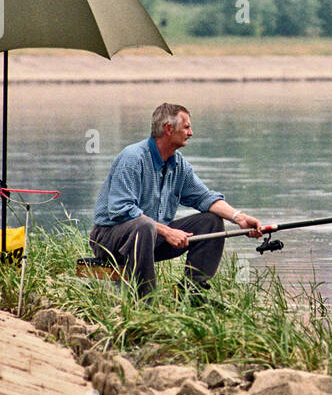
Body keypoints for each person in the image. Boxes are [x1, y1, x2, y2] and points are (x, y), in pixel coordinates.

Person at [89, 102, 262, 298]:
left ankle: (191, 294)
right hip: (109, 239)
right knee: (144, 225)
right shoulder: (133, 158)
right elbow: (121, 210)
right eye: (186, 127)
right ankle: (146, 300)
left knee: (211, 221)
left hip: (150, 237)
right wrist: (167, 231)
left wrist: (239, 218)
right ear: (168, 129)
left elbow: (205, 197)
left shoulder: (178, 164)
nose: (191, 133)